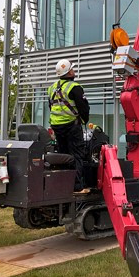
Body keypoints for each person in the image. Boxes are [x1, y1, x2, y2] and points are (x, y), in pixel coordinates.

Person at [47, 58, 91, 192]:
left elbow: (51, 106)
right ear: (69, 72)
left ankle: (63, 185)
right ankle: (77, 187)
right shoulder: (74, 87)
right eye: (72, 69)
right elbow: (83, 108)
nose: (74, 70)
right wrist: (83, 120)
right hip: (71, 126)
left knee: (62, 154)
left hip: (56, 126)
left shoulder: (52, 88)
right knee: (76, 155)